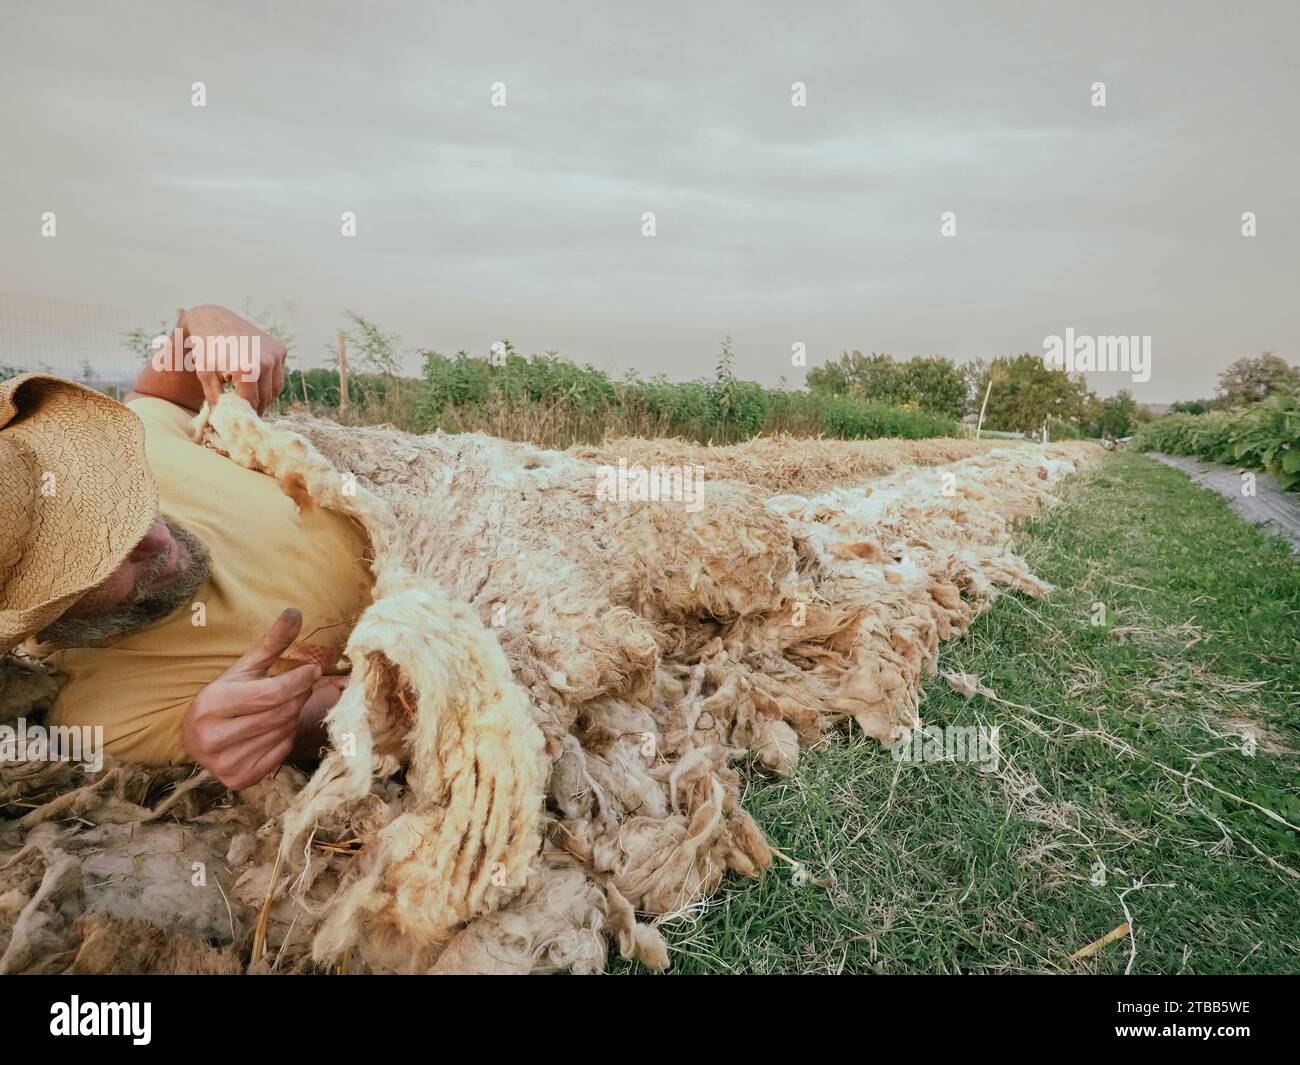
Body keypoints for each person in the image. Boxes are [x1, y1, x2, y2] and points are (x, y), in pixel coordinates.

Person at [0, 306, 374, 788]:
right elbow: (385, 704)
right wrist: (285, 725)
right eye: (104, 558)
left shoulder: (131, 446)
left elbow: (157, 394)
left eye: (128, 501)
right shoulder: (112, 712)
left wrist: (203, 324)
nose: (158, 536)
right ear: (48, 613)